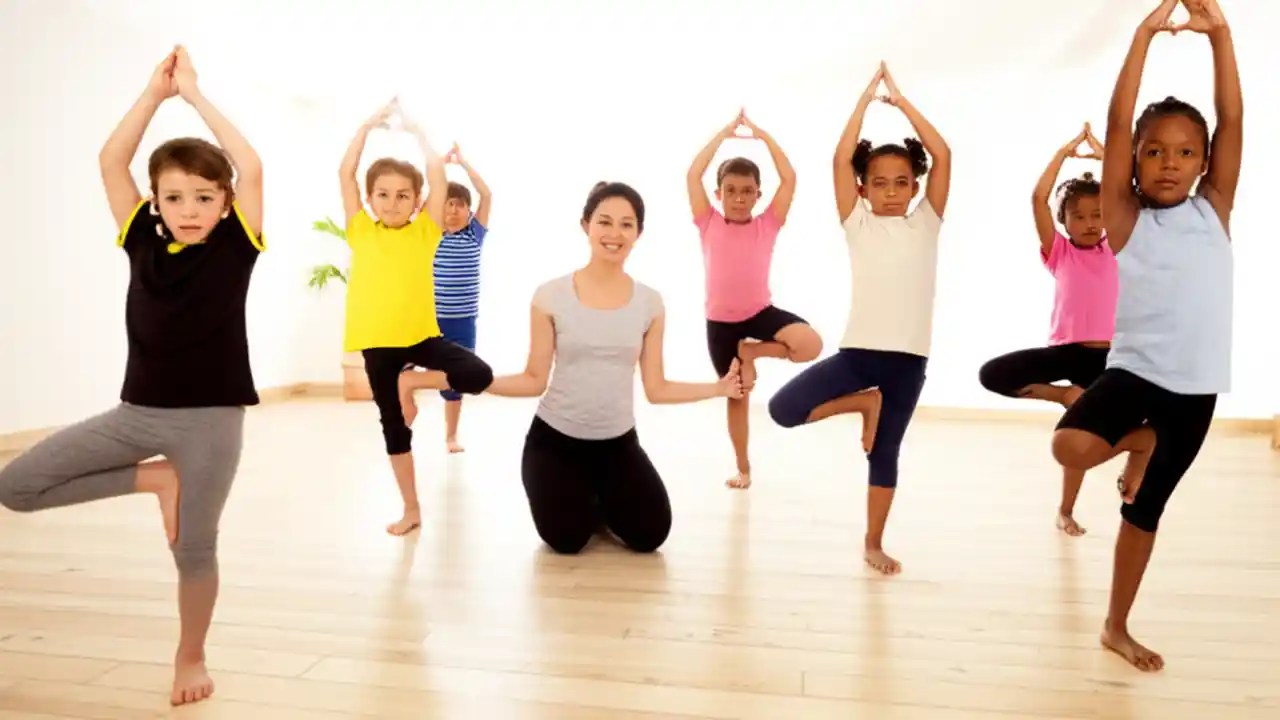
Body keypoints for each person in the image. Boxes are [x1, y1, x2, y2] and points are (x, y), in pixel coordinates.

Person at [0, 47, 261, 706]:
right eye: (174, 197)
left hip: (211, 425)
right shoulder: (140, 237)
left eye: (205, 196)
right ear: (155, 202)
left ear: (226, 203)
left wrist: (196, 96)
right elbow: (110, 161)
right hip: (136, 413)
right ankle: (155, 479)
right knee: (16, 487)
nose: (190, 208)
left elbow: (252, 166)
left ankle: (189, 655)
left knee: (193, 551)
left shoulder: (237, 246)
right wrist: (153, 95)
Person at [1051, 0, 1241, 672]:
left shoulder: (1213, 208)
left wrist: (1219, 33)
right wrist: (1142, 36)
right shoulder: (1123, 217)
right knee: (1070, 446)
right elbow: (1113, 121)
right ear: (1133, 158)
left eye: (1186, 153)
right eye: (1154, 150)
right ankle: (1141, 439)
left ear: (1204, 161)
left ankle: (1115, 625)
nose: (1169, 162)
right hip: (1134, 372)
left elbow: (1232, 119)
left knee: (1145, 508)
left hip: (1195, 389)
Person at [485, 182, 743, 554]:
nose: (614, 233)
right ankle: (580, 495)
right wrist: (478, 381)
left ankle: (597, 494)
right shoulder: (550, 295)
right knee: (567, 540)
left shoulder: (649, 303)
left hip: (617, 443)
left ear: (638, 233)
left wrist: (717, 388)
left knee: (651, 534)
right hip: (554, 442)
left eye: (626, 224)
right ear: (586, 225)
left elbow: (657, 388)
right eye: (604, 222)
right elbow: (533, 379)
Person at [767, 62, 951, 576]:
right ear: (864, 189)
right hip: (859, 353)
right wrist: (866, 101)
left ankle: (873, 542)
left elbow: (943, 154)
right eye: (879, 183)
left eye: (901, 182)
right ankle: (863, 403)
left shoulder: (927, 223)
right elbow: (839, 158)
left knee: (885, 453)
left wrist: (903, 102)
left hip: (909, 360)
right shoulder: (857, 223)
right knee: (783, 409)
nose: (891, 191)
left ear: (916, 186)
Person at [339, 99, 494, 536]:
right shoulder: (361, 230)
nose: (392, 203)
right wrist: (367, 126)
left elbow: (438, 176)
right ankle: (411, 510)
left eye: (403, 195)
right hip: (377, 343)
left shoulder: (427, 231)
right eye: (383, 195)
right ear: (369, 199)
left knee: (477, 374)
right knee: (394, 428)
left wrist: (419, 134)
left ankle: (412, 381)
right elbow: (344, 174)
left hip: (422, 338)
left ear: (417, 200)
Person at [978, 124, 1124, 536]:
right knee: (993, 374)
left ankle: (1077, 502)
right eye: (1078, 216)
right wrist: (1062, 153)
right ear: (1064, 223)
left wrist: (1107, 158)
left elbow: (1129, 198)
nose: (1090, 223)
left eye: (1098, 214)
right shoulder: (1059, 253)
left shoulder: (1118, 248)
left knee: (1096, 431)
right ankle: (1064, 398)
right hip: (1067, 353)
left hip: (1113, 357)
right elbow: (1038, 198)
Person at [686, 109, 822, 490]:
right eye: (731, 190)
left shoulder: (768, 224)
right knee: (738, 398)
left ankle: (752, 352)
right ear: (719, 194)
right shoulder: (708, 221)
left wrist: (762, 136)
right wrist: (724, 134)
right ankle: (743, 468)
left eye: (747, 191)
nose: (739, 198)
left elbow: (790, 177)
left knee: (811, 343)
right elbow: (692, 174)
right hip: (721, 325)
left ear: (758, 195)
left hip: (759, 315)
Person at [426, 142, 492, 454]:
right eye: (447, 204)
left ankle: (451, 435)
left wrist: (463, 163)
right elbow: (425, 199)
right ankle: (402, 418)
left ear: (468, 211)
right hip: (428, 318)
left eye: (459, 205)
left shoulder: (474, 235)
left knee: (457, 380)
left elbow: (487, 194)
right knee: (404, 369)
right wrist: (438, 168)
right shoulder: (430, 235)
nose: (452, 210)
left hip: (463, 321)